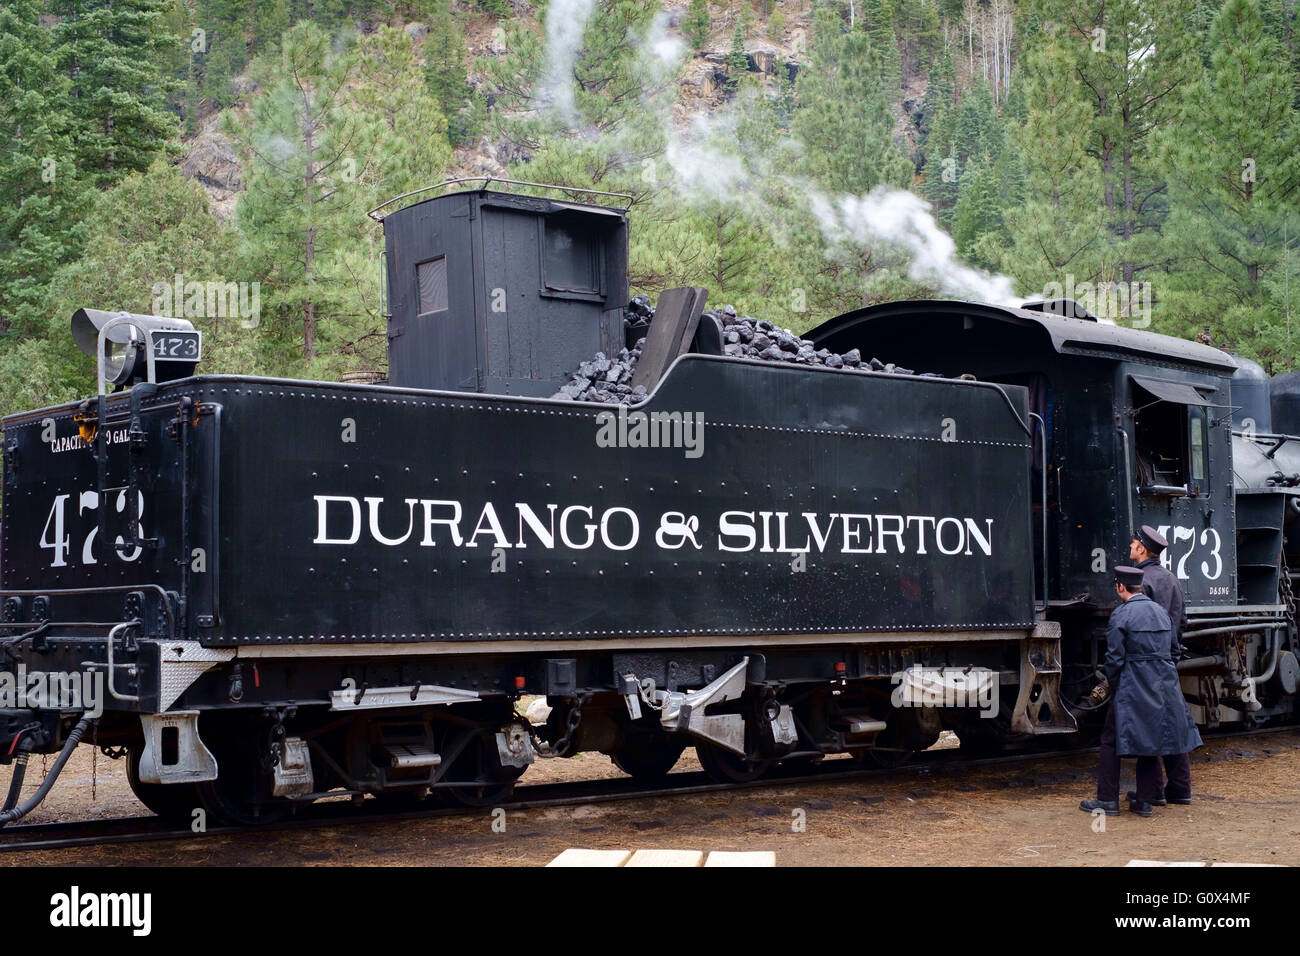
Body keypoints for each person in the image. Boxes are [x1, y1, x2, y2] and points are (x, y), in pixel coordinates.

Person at [1080, 567, 1203, 817]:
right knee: (1151, 738)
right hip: (1161, 684)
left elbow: (1114, 659)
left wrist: (1116, 684)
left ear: (1120, 587)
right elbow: (1174, 650)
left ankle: (1107, 800)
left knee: (1110, 740)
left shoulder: (1121, 615)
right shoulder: (1160, 613)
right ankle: (1145, 802)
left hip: (1131, 686)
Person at [1129, 525, 1194, 806]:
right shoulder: (1171, 579)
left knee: (1148, 724)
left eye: (1133, 543)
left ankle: (1153, 791)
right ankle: (1180, 788)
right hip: (1168, 659)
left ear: (1142, 548)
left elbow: (1137, 622)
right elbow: (1181, 621)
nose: (1130, 546)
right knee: (1172, 723)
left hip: (1147, 663)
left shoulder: (1140, 581)